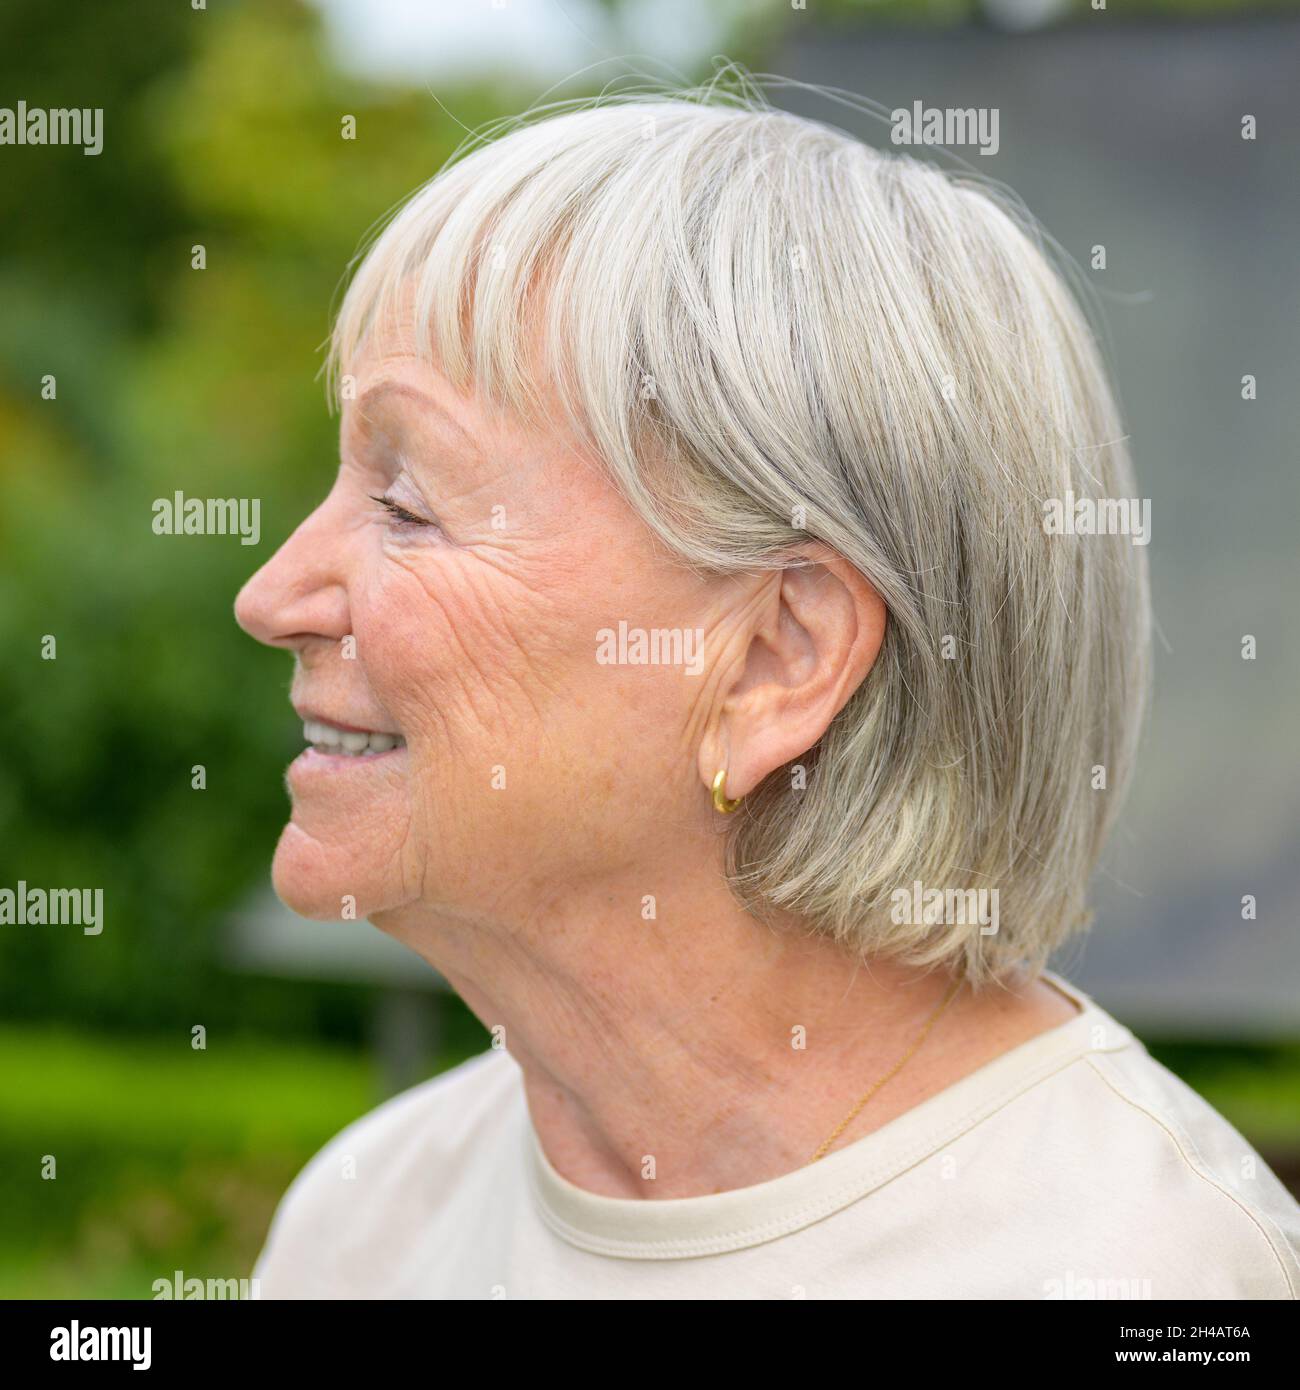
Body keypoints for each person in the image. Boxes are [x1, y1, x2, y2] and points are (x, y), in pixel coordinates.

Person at [234, 91, 1300, 1298]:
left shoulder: (1154, 1278)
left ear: (776, 658)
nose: (272, 595)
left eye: (409, 504)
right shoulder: (366, 1219)